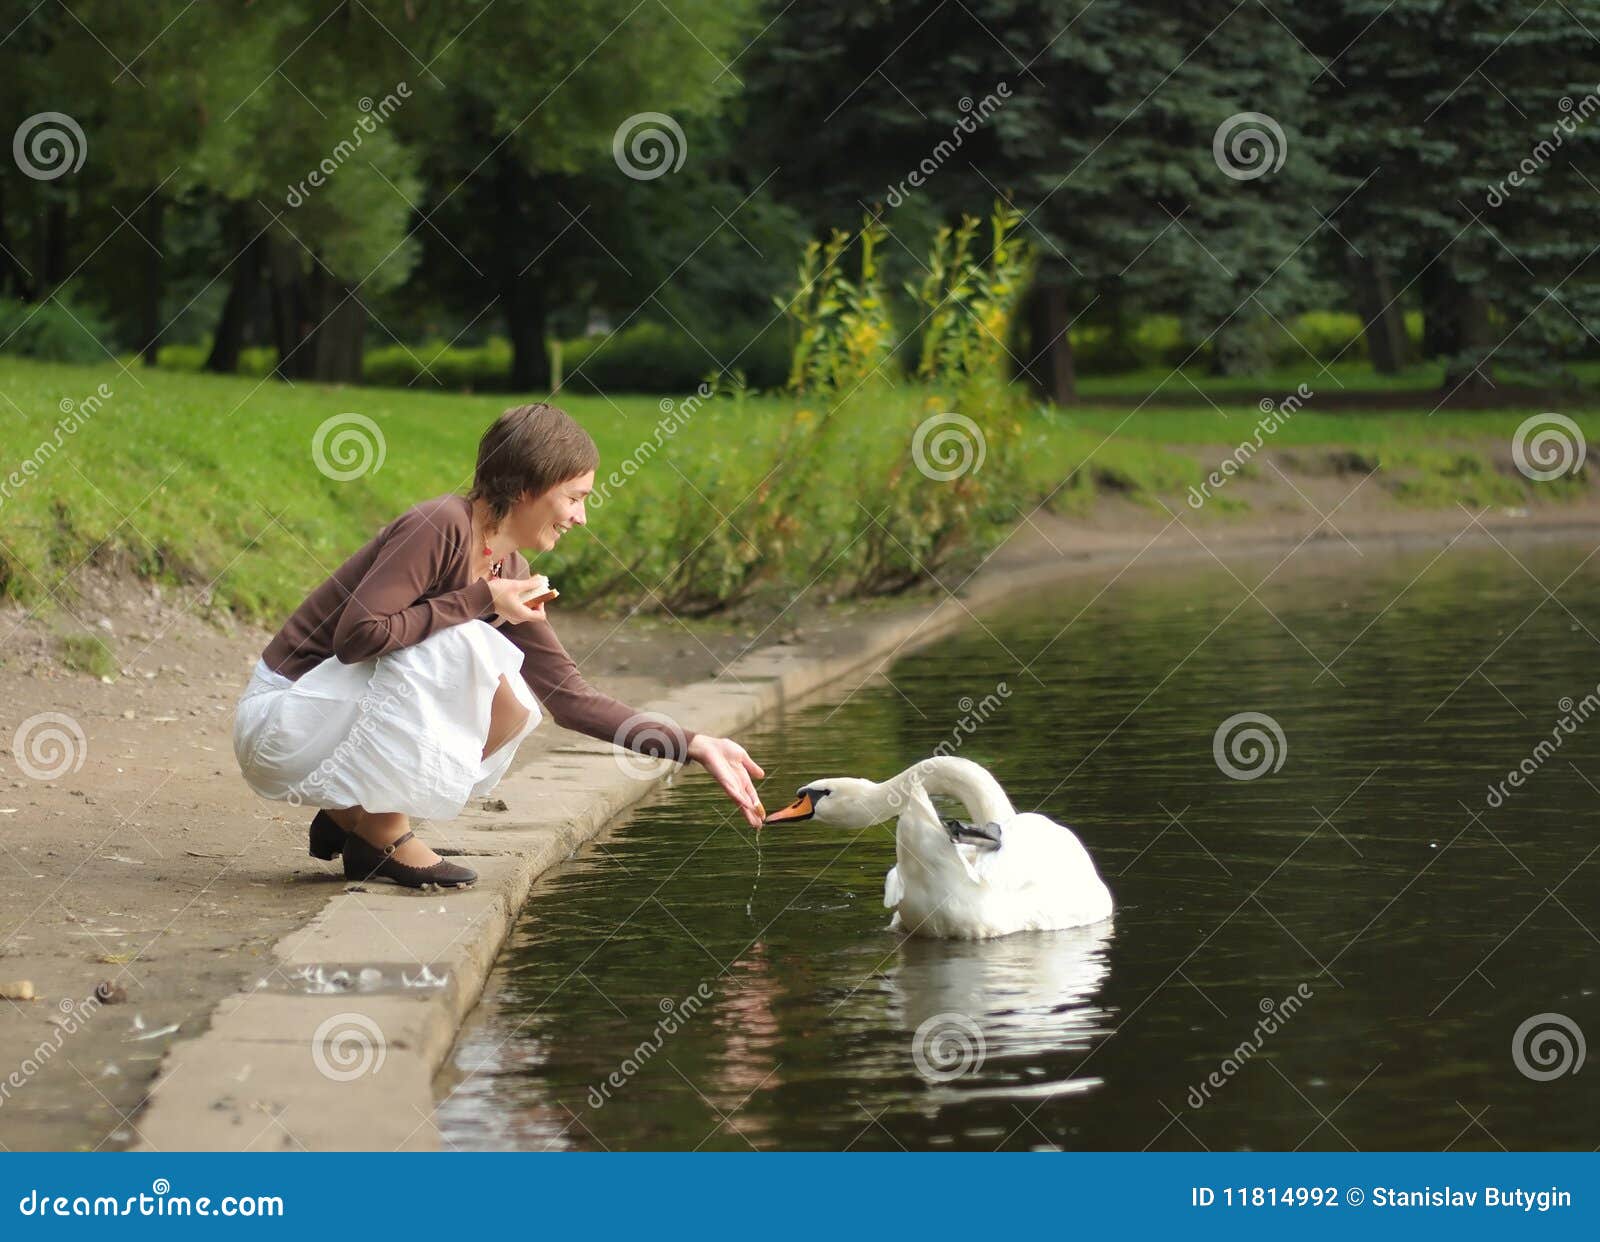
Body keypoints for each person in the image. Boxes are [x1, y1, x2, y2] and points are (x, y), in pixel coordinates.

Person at [231, 402, 766, 890]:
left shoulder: (510, 570)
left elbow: (569, 696)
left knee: (515, 702)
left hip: (327, 731)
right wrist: (481, 600)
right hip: (283, 716)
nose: (581, 517)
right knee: (471, 646)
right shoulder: (440, 524)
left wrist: (691, 743)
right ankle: (380, 835)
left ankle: (356, 815)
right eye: (575, 498)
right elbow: (356, 637)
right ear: (528, 488)